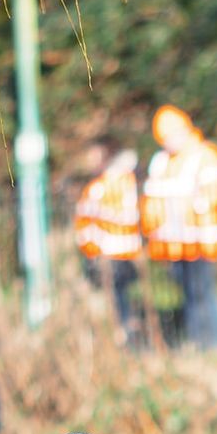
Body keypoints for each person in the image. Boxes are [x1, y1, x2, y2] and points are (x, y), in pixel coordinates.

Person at [140, 105, 217, 348]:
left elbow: (215, 192)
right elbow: (153, 200)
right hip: (173, 242)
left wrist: (195, 206)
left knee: (202, 293)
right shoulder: (161, 162)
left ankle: (211, 343)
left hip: (199, 240)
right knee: (188, 293)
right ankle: (195, 341)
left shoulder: (204, 155)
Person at [73, 141, 144, 345]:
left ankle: (126, 336)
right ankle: (122, 335)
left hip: (114, 251)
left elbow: (120, 216)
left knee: (120, 297)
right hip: (110, 250)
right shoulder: (107, 184)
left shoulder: (111, 185)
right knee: (118, 297)